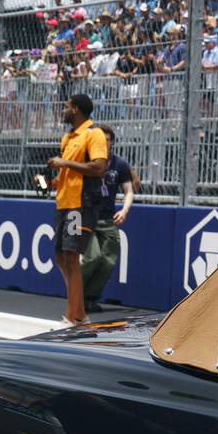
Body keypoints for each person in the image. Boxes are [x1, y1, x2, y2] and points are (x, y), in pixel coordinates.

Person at [47, 94, 108, 327]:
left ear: (75, 110)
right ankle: (80, 314)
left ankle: (71, 317)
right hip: (64, 203)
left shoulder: (94, 133)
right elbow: (70, 172)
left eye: (66, 106)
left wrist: (65, 164)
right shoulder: (67, 137)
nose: (63, 109)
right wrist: (54, 179)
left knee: (72, 258)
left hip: (80, 205)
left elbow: (98, 167)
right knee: (62, 257)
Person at [80, 126, 136, 312]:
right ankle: (76, 295)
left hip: (108, 218)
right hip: (86, 217)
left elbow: (128, 191)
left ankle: (90, 298)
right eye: (100, 139)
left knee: (108, 262)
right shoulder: (85, 161)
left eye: (107, 139)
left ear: (112, 142)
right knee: (92, 257)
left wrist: (124, 210)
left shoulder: (119, 164)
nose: (104, 142)